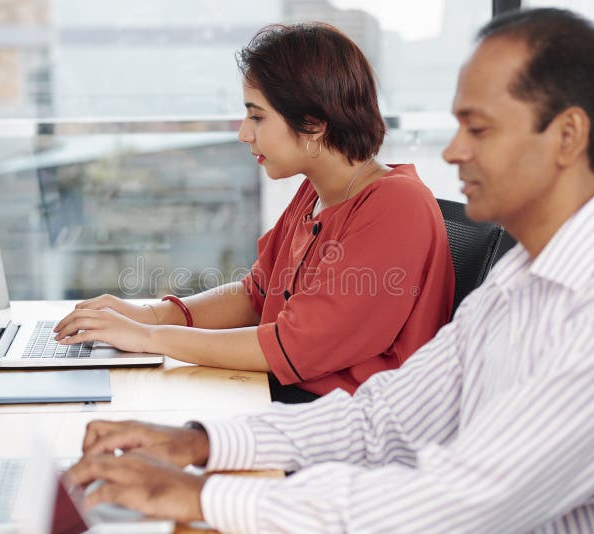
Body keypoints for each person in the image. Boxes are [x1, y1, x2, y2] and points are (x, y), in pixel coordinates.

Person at [63, 8, 594, 532]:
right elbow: (384, 417)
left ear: (567, 136)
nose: (454, 150)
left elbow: (463, 503)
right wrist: (200, 442)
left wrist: (201, 491)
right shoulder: (519, 284)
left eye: (476, 128)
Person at [53, 23, 454, 402]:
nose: (245, 132)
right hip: (285, 401)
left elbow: (294, 345)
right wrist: (150, 316)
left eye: (257, 116)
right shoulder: (315, 192)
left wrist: (147, 338)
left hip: (345, 433)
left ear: (312, 123)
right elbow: (256, 295)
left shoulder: (397, 207)